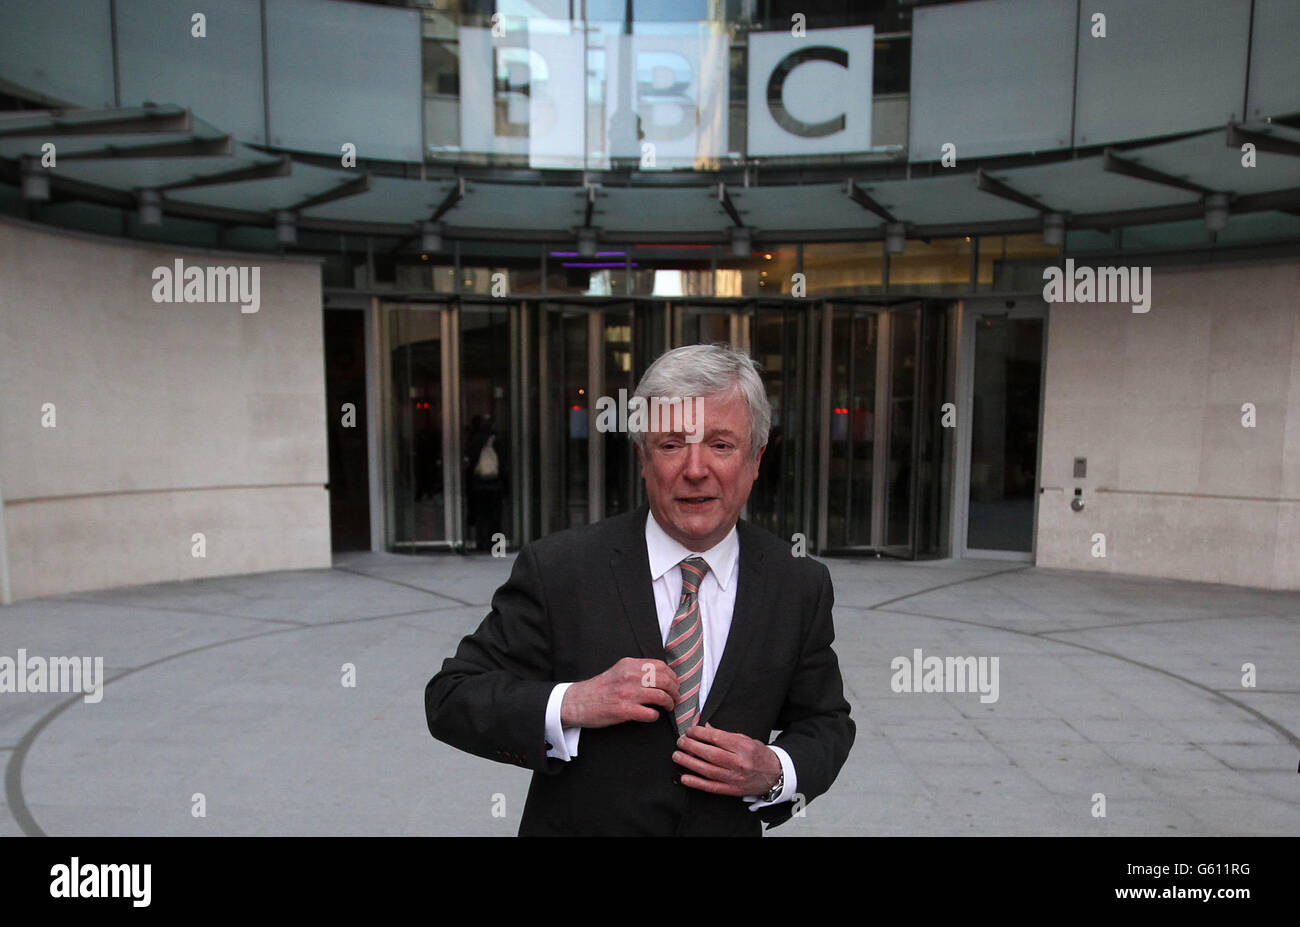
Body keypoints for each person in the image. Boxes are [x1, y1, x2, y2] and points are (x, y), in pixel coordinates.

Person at [425, 344, 854, 836]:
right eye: (672, 444)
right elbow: (451, 699)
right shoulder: (561, 568)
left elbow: (826, 722)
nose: (695, 469)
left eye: (720, 444)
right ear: (643, 458)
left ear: (756, 459)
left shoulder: (797, 582)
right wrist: (573, 702)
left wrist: (776, 772)